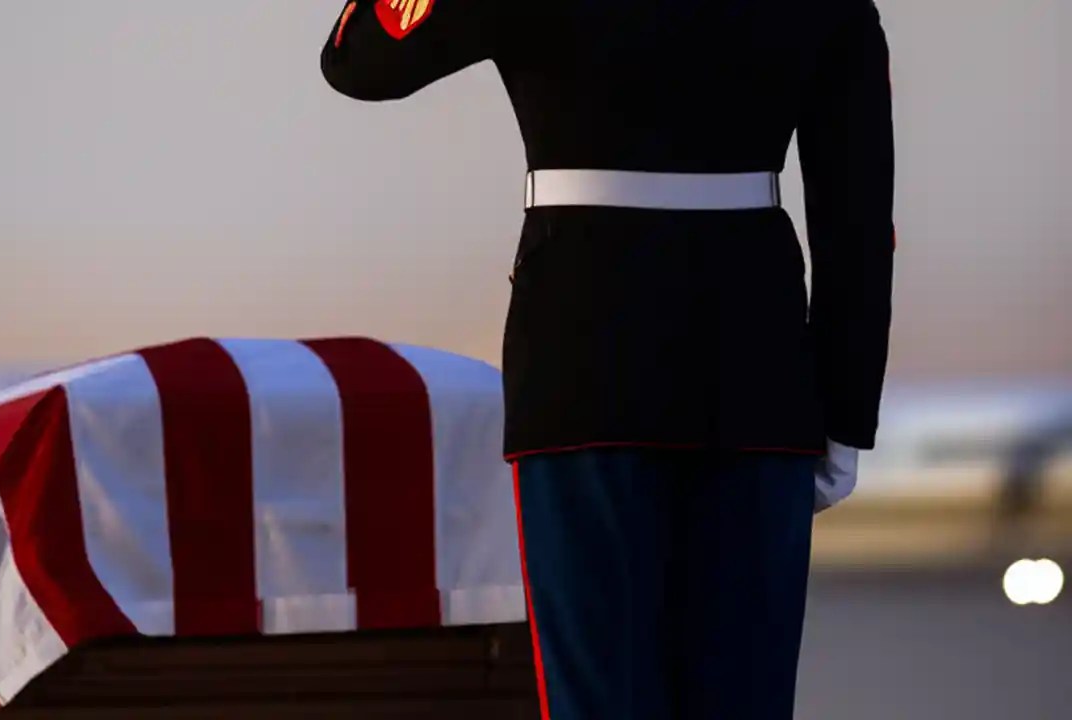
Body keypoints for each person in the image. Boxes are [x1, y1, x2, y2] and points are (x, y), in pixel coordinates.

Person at [321, 0, 894, 717]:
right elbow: (858, 211)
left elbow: (361, 60)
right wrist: (844, 403)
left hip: (586, 360)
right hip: (756, 369)